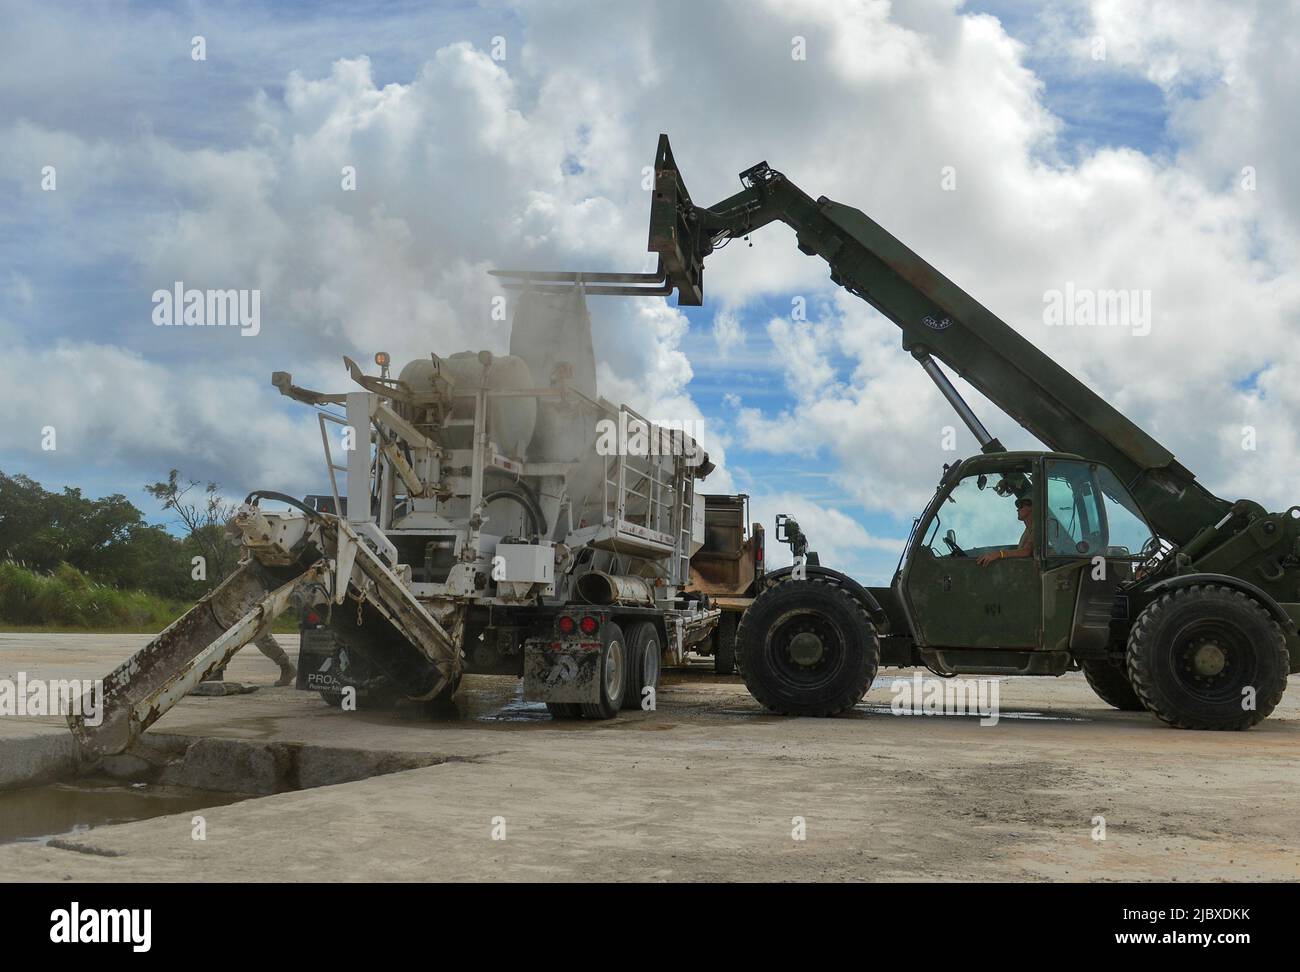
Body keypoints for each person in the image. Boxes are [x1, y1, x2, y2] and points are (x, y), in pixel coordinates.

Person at [977, 497, 1034, 566]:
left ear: (1031, 507)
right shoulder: (1027, 532)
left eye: (1021, 506)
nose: (1017, 509)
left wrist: (999, 554)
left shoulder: (1037, 528)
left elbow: (1026, 551)